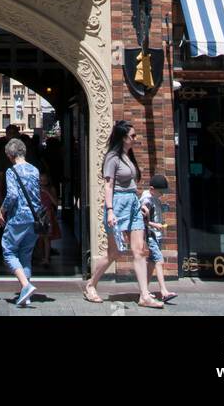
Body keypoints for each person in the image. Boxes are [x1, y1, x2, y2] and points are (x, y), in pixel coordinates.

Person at [83, 121, 162, 308]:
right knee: (115, 252)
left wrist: (140, 203)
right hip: (117, 205)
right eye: (132, 136)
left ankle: (144, 295)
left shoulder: (128, 156)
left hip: (133, 204)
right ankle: (91, 284)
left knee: (140, 251)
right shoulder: (112, 157)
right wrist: (110, 210)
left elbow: (131, 183)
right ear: (123, 137)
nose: (135, 138)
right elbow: (108, 185)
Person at [0, 137, 41, 307]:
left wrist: (2, 210)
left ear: (10, 155)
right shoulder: (35, 170)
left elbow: (13, 195)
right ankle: (26, 295)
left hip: (18, 218)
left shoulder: (12, 171)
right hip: (35, 218)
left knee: (8, 251)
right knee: (26, 254)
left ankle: (25, 285)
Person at [140, 173, 176, 303]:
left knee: (151, 263)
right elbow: (141, 219)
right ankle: (164, 292)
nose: (162, 194)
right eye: (160, 192)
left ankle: (144, 290)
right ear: (151, 189)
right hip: (151, 235)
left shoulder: (155, 198)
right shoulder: (147, 200)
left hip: (157, 235)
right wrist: (155, 224)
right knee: (159, 261)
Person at [37, 171, 60, 267]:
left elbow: (56, 203)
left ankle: (46, 258)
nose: (43, 182)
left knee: (46, 238)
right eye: (41, 180)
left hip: (48, 215)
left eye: (45, 180)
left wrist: (47, 192)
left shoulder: (51, 189)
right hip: (38, 214)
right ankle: (41, 257)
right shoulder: (36, 189)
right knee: (39, 238)